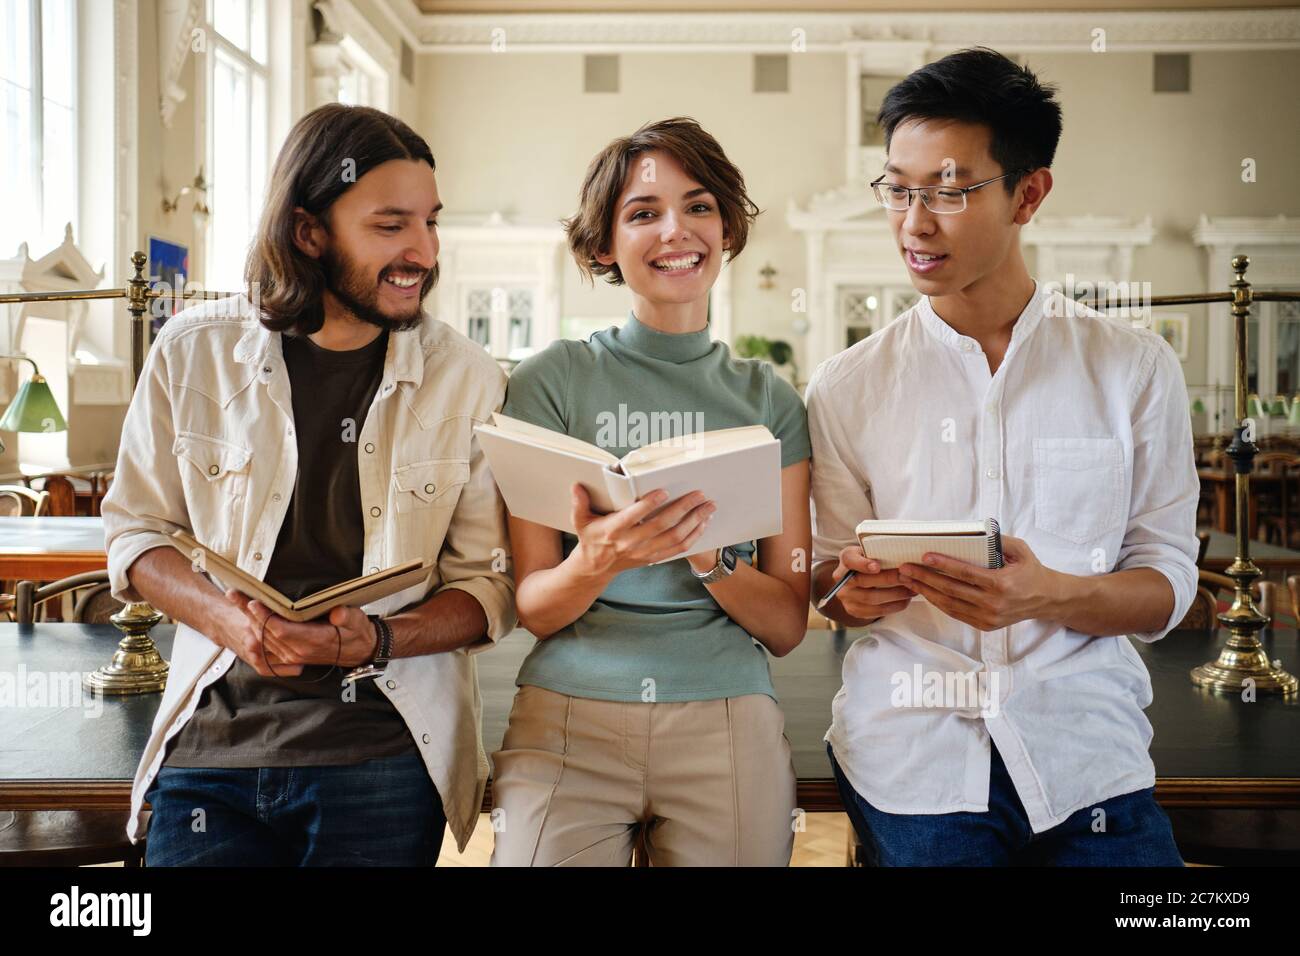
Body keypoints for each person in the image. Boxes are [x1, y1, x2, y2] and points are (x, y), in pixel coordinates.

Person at [807, 48, 1197, 866]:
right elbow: (825, 585)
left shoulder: (1133, 368)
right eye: (899, 188)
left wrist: (1046, 594)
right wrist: (855, 592)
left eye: (949, 190)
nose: (915, 220)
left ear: (1029, 193)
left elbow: (1164, 588)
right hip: (912, 757)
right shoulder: (846, 386)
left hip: (1087, 757)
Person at [102, 104, 516, 866]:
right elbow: (135, 535)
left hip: (381, 757)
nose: (422, 252)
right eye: (391, 226)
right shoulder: (193, 353)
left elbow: (488, 587)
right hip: (210, 755)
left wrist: (379, 637)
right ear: (309, 232)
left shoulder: (467, 378)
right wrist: (228, 623)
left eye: (431, 223)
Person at [489, 117, 812, 866]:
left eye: (699, 207)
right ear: (603, 245)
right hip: (567, 715)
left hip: (728, 710)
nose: (677, 230)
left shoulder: (771, 400)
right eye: (643, 213)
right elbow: (533, 606)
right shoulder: (548, 382)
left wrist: (708, 557)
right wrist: (596, 560)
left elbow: (788, 626)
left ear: (727, 229)